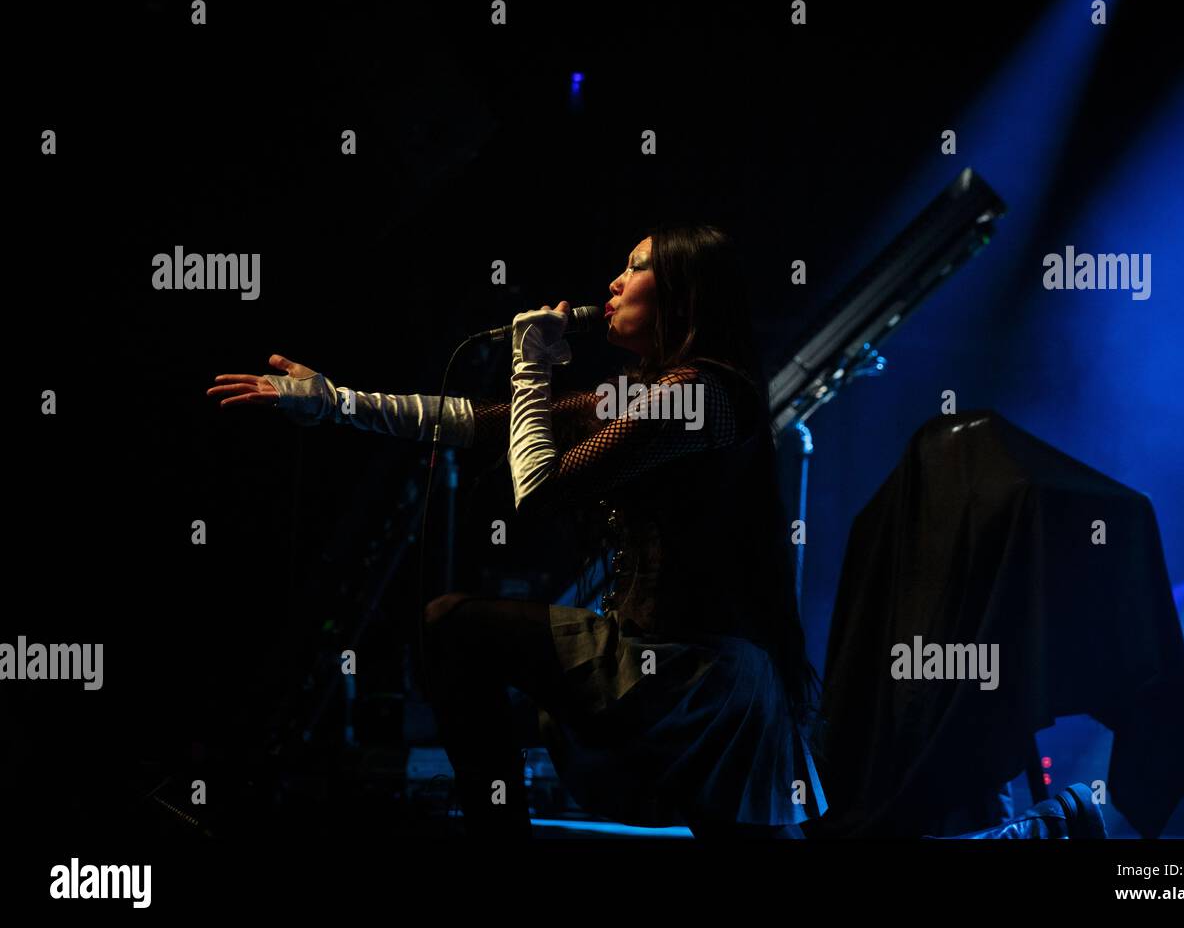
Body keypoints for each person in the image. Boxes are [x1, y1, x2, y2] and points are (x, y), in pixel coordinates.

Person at [207, 224, 830, 839]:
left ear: (683, 290)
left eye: (636, 266)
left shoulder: (696, 394)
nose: (613, 282)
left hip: (690, 675)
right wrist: (333, 401)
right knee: (457, 633)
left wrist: (528, 363)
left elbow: (538, 486)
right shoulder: (654, 392)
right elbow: (477, 422)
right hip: (671, 669)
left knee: (452, 624)